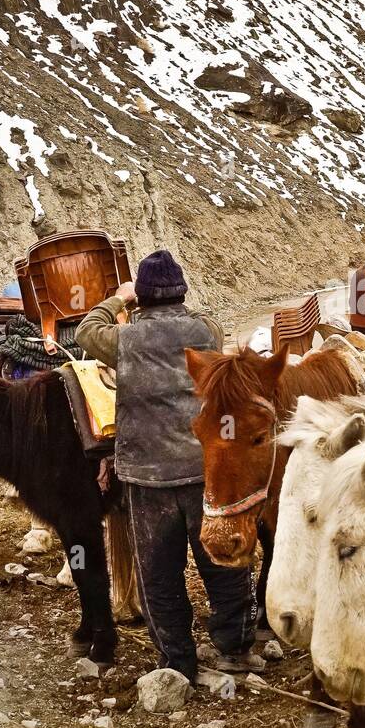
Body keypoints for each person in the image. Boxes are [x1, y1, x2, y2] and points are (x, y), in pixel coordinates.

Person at [75, 249, 261, 682]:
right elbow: (210, 320)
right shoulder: (204, 331)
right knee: (224, 563)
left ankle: (178, 661)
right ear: (181, 291)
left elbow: (86, 331)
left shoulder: (124, 340)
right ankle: (235, 649)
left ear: (141, 297)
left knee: (159, 574)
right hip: (205, 473)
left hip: (149, 477)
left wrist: (119, 300)